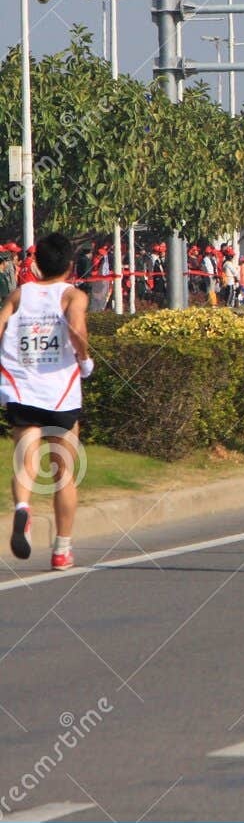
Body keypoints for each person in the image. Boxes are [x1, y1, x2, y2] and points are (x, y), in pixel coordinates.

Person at [1, 234, 92, 571]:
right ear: (70, 265)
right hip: (60, 393)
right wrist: (84, 362)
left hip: (23, 391)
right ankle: (61, 549)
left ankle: (23, 509)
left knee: (25, 462)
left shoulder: (20, 294)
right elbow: (77, 331)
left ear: (36, 263)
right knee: (63, 473)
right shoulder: (72, 295)